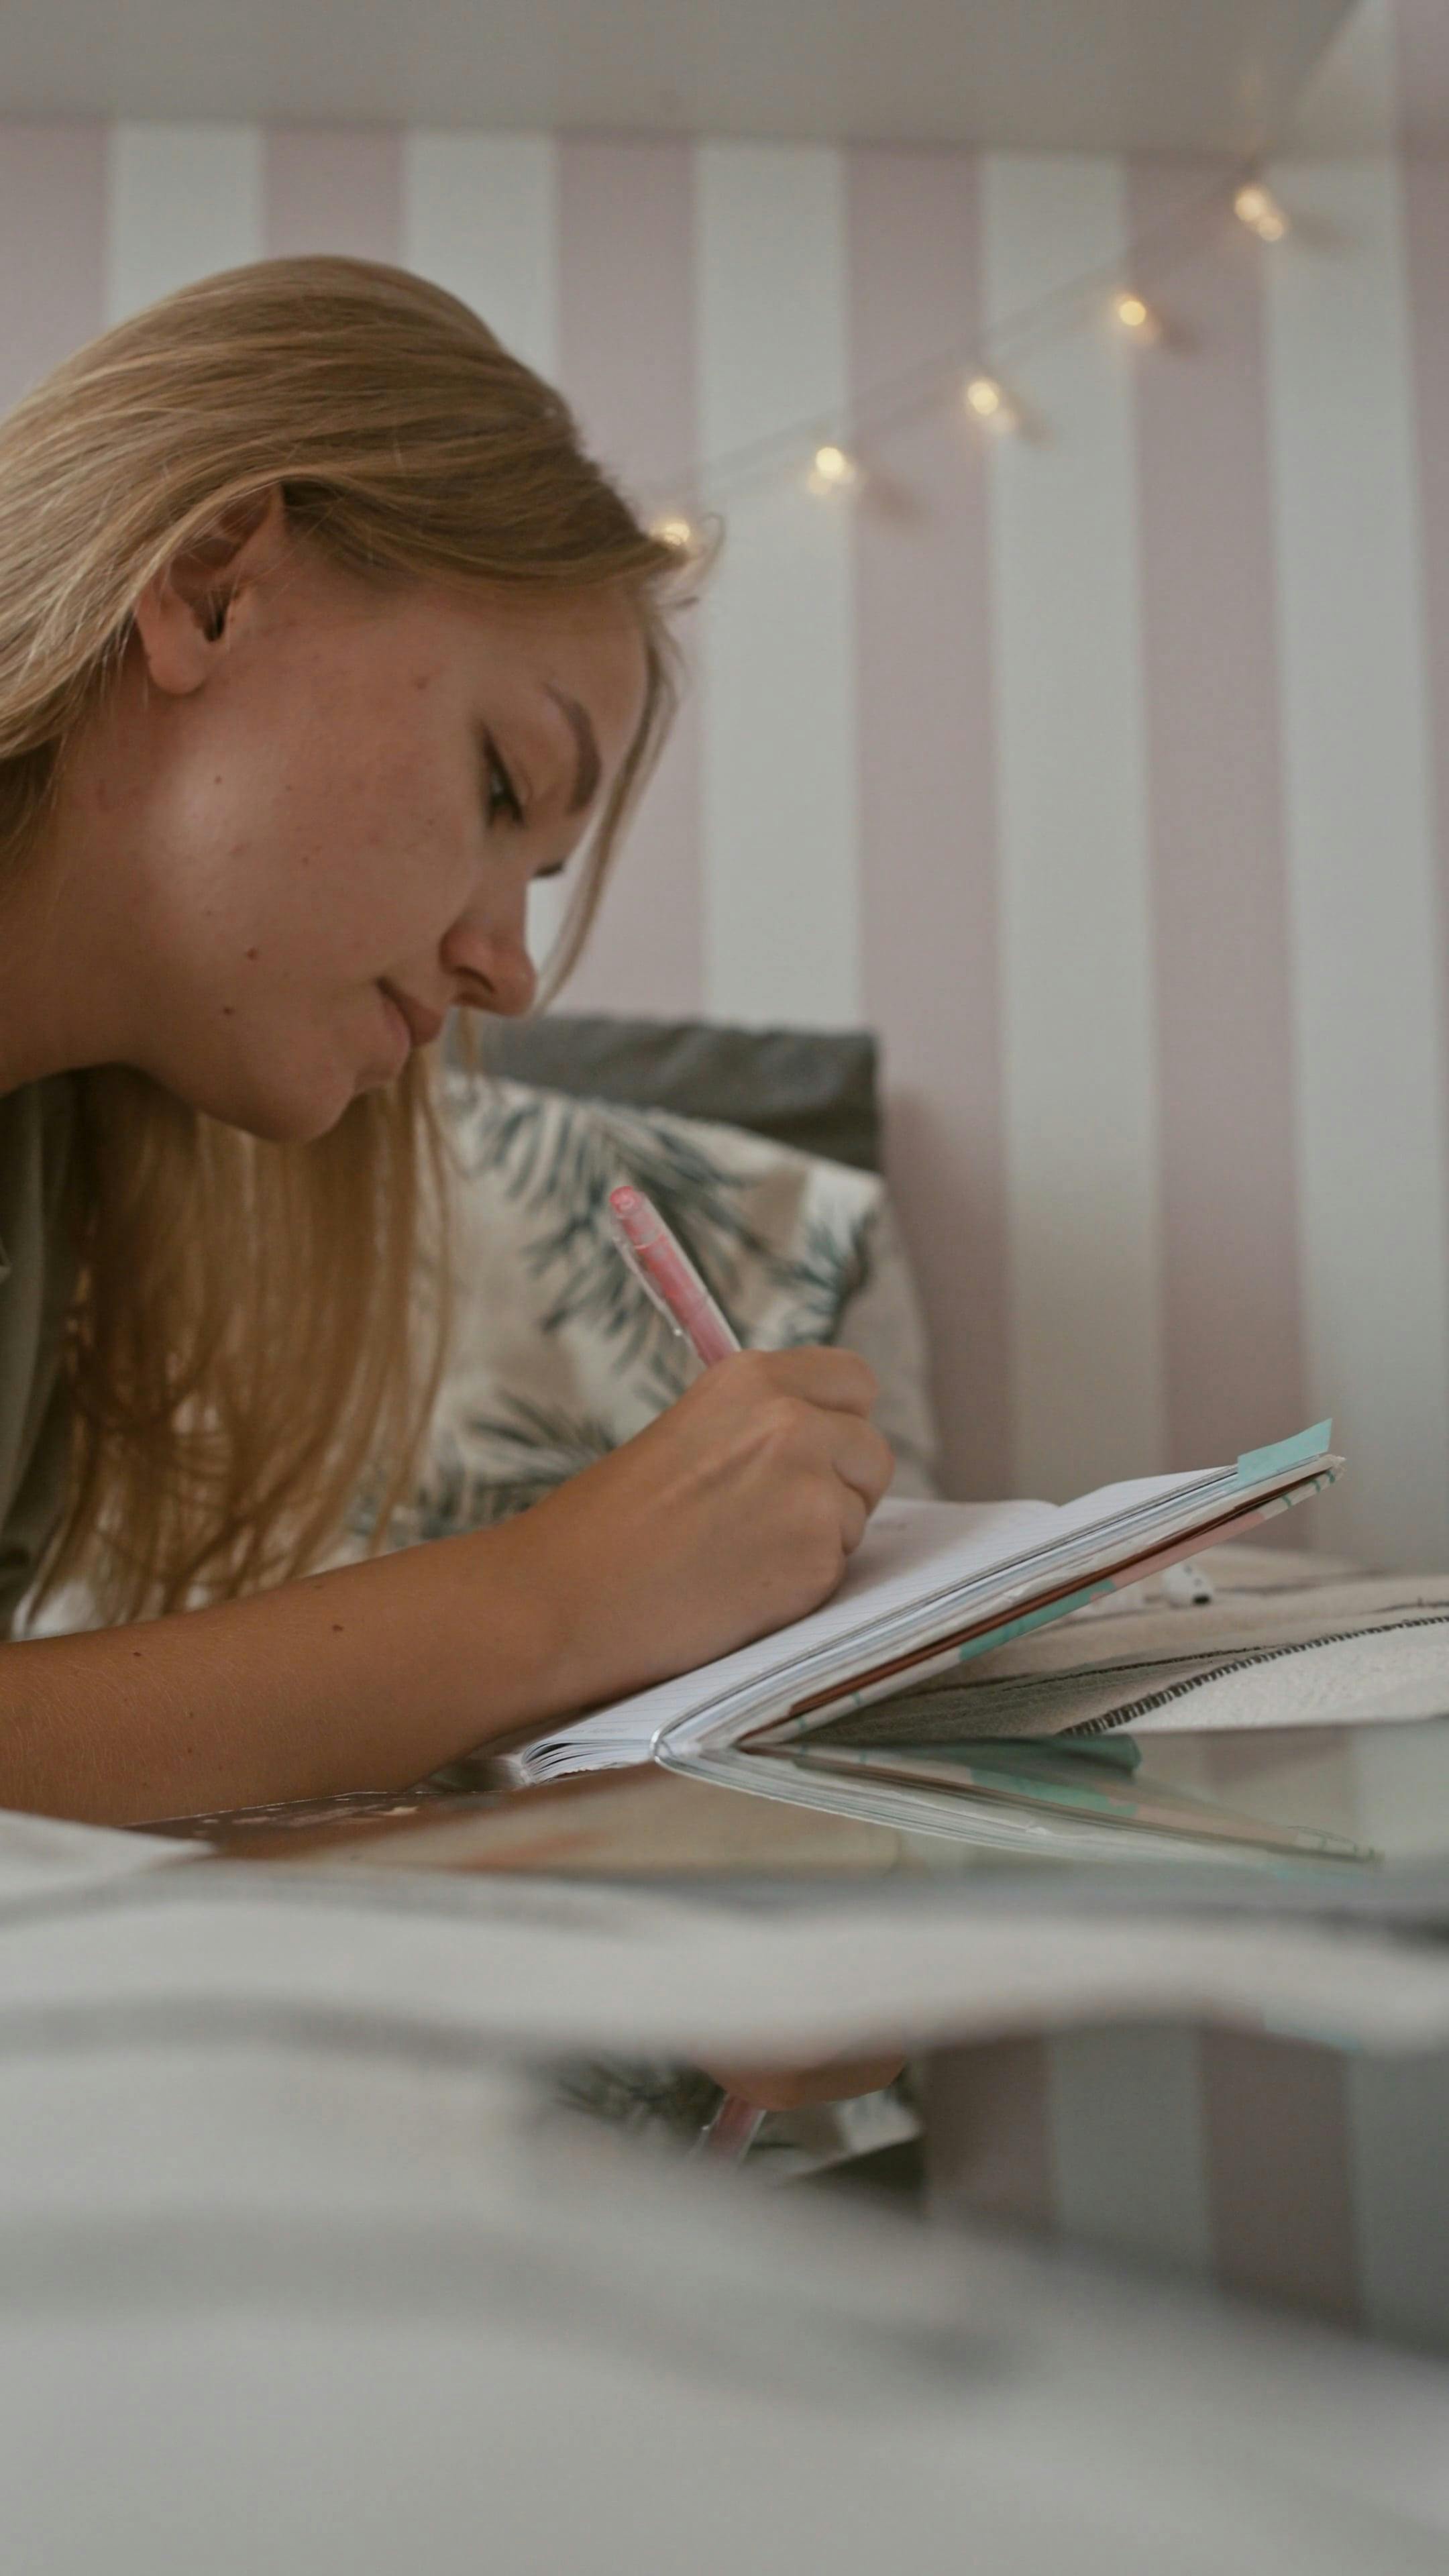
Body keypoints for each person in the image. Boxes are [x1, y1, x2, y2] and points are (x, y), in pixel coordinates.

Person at [0, 256, 894, 1861]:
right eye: (501, 787)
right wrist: (554, 1600)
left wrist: (606, 1875)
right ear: (211, 587)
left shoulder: (44, 1172)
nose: (513, 966)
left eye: (541, 876)